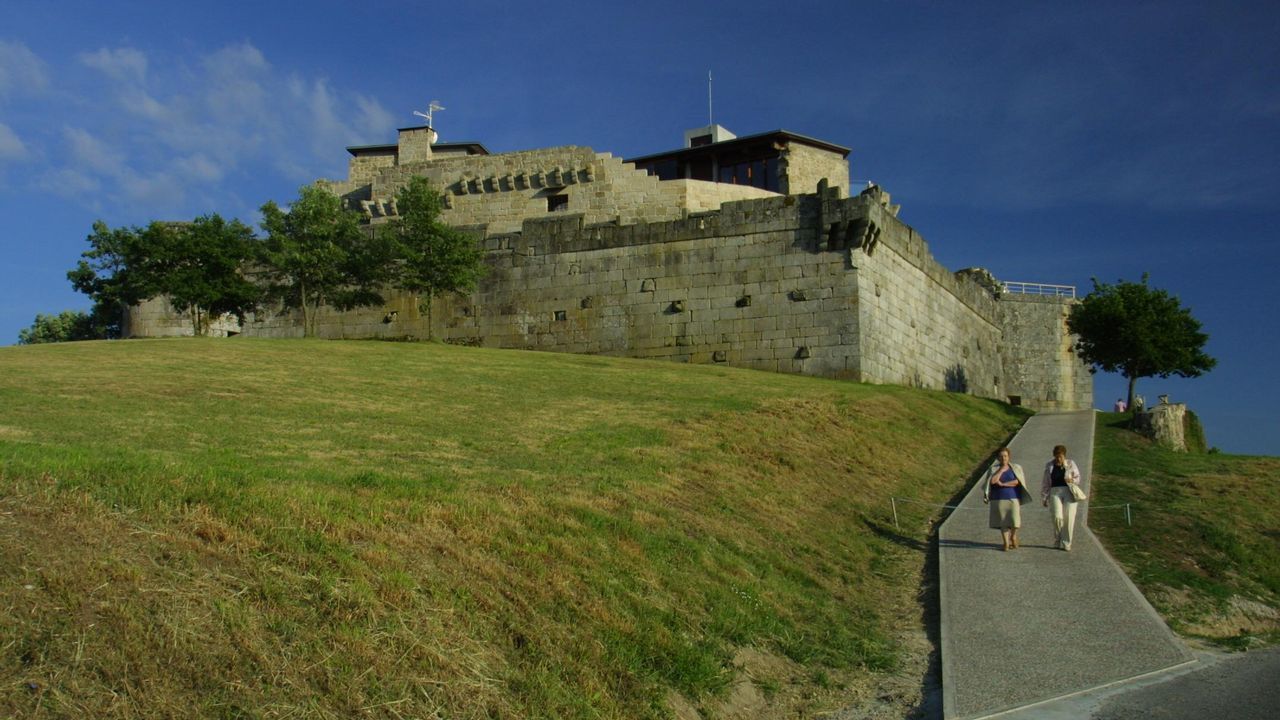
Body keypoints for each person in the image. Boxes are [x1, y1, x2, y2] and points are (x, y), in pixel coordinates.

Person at [982, 447, 1034, 551]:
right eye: (1001, 456)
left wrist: (1003, 484)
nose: (1003, 458)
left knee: (1015, 521)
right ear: (998, 458)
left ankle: (1013, 536)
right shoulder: (994, 469)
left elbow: (1017, 481)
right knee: (1003, 522)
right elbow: (992, 481)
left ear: (1009, 457)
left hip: (1013, 497)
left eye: (1005, 456)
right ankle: (1006, 543)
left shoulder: (1016, 467)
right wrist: (1001, 470)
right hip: (999, 498)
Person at [1041, 444, 1082, 551]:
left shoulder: (1070, 463)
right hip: (1055, 491)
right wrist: (1044, 497)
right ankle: (1058, 539)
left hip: (1069, 491)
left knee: (1069, 517)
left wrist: (1072, 480)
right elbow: (1046, 482)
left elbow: (1077, 477)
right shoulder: (1049, 465)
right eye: (1057, 456)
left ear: (1064, 455)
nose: (1059, 458)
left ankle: (1067, 542)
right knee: (1057, 517)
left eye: (1061, 456)